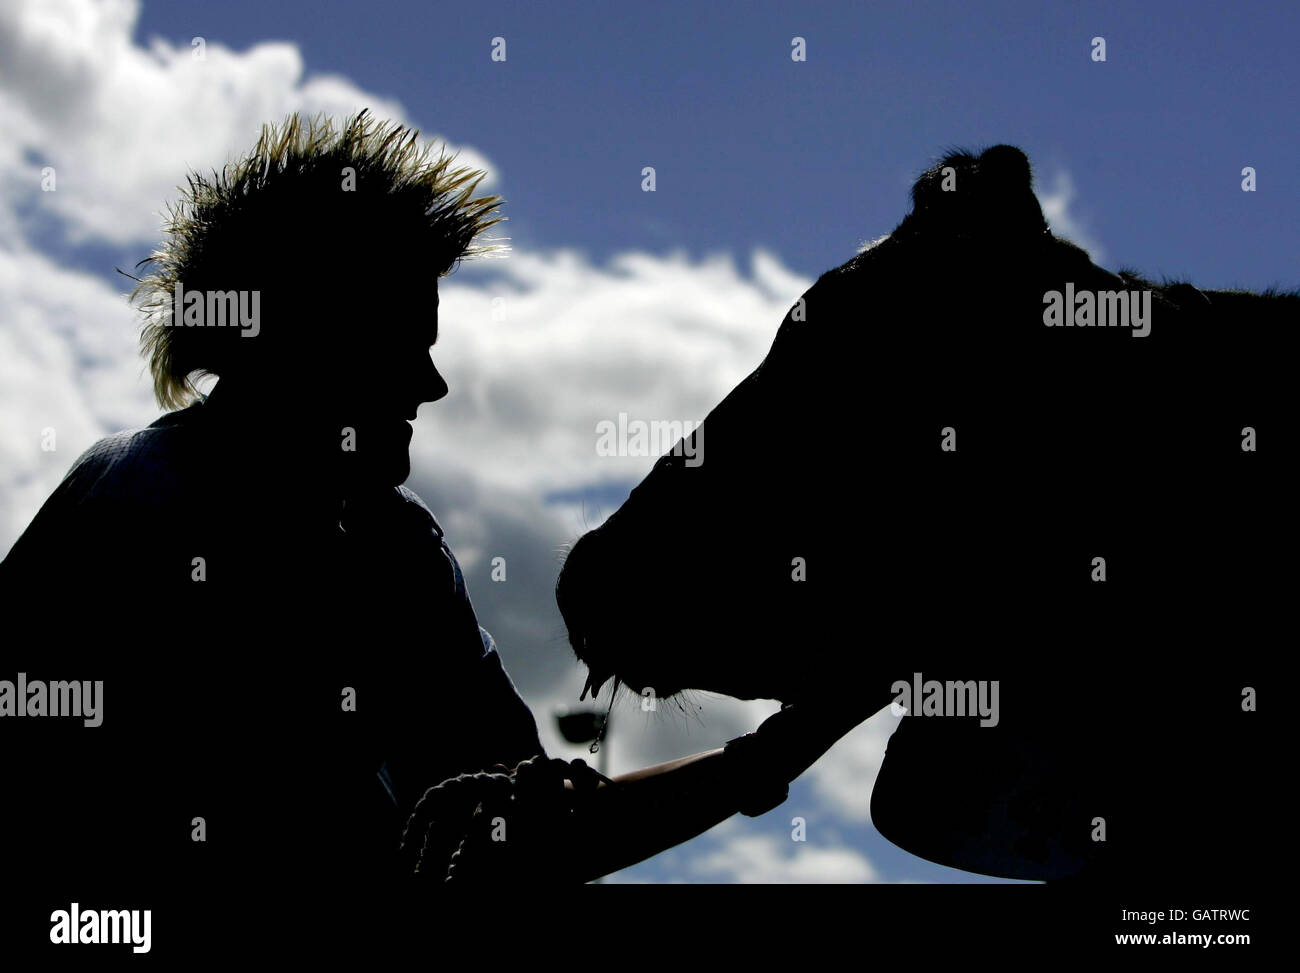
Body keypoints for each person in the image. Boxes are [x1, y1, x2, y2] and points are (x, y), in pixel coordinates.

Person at [0, 111, 868, 905]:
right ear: (303, 341)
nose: (432, 382)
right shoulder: (140, 504)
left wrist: (779, 749)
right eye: (400, 347)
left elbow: (530, 825)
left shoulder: (396, 545)